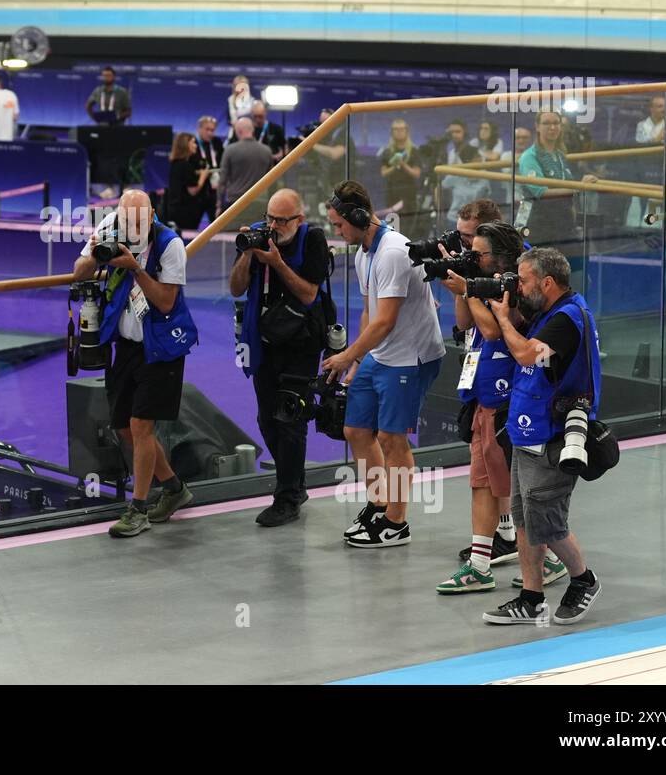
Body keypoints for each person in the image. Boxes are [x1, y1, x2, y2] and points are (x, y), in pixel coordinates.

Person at [433, 220, 569, 593]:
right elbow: (466, 324)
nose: (472, 258)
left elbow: (496, 330)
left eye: (479, 254)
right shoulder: (481, 286)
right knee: (482, 484)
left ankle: (554, 560)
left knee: (518, 491)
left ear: (501, 256)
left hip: (509, 404)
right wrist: (462, 289)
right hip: (482, 397)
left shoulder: (516, 289)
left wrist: (469, 289)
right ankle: (479, 564)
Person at [321, 180, 444, 548]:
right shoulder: (363, 253)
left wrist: (347, 355)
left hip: (411, 356)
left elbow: (385, 320)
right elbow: (369, 312)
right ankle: (379, 502)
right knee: (356, 430)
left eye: (339, 225)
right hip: (381, 353)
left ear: (359, 217)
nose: (336, 232)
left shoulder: (393, 251)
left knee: (392, 437)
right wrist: (358, 360)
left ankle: (396, 521)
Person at [483, 247, 603, 625]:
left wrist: (503, 318)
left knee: (548, 523)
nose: (518, 286)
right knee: (524, 519)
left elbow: (526, 356)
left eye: (524, 280)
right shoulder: (548, 311)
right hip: (527, 430)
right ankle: (531, 597)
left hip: (552, 436)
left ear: (547, 282)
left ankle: (584, 579)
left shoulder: (568, 318)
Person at [72, 189, 197, 537]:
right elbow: (78, 271)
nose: (135, 225)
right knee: (124, 428)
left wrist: (134, 268)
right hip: (126, 345)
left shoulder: (170, 244)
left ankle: (138, 509)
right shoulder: (112, 226)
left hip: (161, 349)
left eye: (142, 220)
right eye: (130, 220)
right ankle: (174, 489)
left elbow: (166, 302)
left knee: (142, 427)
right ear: (119, 216)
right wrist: (96, 251)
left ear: (153, 214)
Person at [230, 188, 333, 526]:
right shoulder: (258, 236)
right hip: (265, 341)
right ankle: (295, 483)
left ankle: (287, 497)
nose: (274, 226)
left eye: (281, 220)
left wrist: (277, 263)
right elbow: (235, 288)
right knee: (266, 420)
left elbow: (308, 294)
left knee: (290, 417)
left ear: (299, 219)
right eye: (270, 218)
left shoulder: (313, 240)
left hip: (302, 343)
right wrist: (248, 253)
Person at [515, 111, 598, 249]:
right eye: (546, 123)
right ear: (537, 126)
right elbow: (540, 192)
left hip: (561, 224)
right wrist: (579, 187)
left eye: (555, 123)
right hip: (538, 224)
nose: (552, 127)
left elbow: (568, 185)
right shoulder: (529, 156)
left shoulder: (559, 155)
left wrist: (582, 182)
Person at [218, 117, 273, 226]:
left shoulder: (230, 150)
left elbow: (222, 181)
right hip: (260, 203)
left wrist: (219, 204)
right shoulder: (267, 151)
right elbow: (272, 180)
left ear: (238, 131)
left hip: (236, 203)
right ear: (252, 130)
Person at [377, 118, 423, 238]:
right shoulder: (387, 151)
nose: (399, 132)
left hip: (408, 194)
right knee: (392, 226)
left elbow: (416, 173)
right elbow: (384, 172)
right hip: (392, 193)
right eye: (396, 130)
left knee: (407, 226)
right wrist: (395, 165)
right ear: (392, 132)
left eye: (401, 129)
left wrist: (404, 165)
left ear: (407, 131)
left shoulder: (414, 151)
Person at [439, 119, 487, 223]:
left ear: (464, 132)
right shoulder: (451, 153)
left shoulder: (475, 152)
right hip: (455, 205)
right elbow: (444, 184)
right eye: (451, 132)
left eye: (458, 131)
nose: (454, 135)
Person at [166, 131, 208, 230]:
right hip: (184, 212)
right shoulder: (186, 166)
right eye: (193, 143)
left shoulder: (175, 164)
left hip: (175, 208)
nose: (195, 146)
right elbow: (193, 190)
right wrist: (203, 176)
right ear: (186, 145)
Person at [192, 115, 224, 222]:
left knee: (215, 223)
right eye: (207, 129)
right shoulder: (192, 144)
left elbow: (222, 161)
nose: (210, 133)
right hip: (198, 191)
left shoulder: (217, 142)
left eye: (213, 130)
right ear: (199, 129)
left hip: (214, 191)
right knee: (192, 224)